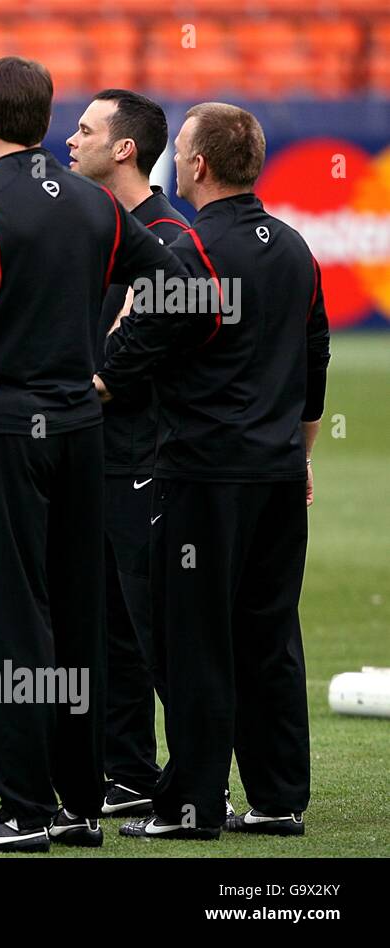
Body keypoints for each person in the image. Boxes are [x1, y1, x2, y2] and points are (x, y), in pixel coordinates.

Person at [0, 57, 185, 853]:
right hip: (79, 430)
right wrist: (109, 374)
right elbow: (173, 287)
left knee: (5, 618)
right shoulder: (96, 204)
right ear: (44, 118)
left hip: (2, 430)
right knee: (75, 620)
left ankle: (21, 811)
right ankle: (78, 804)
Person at [98, 103, 330, 840]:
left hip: (202, 476)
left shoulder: (194, 253)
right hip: (276, 474)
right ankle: (279, 796)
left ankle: (193, 803)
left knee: (194, 639)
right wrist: (302, 460)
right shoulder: (296, 249)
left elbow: (133, 355)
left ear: (196, 165)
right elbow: (314, 365)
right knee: (269, 635)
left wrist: (78, 385)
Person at [66, 89, 189, 817]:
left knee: (156, 623)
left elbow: (152, 339)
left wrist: (102, 377)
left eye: (86, 129)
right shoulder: (96, 225)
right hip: (97, 451)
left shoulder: (166, 236)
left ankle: (196, 778)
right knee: (109, 622)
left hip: (147, 452)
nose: (69, 139)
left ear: (125, 149)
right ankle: (128, 772)